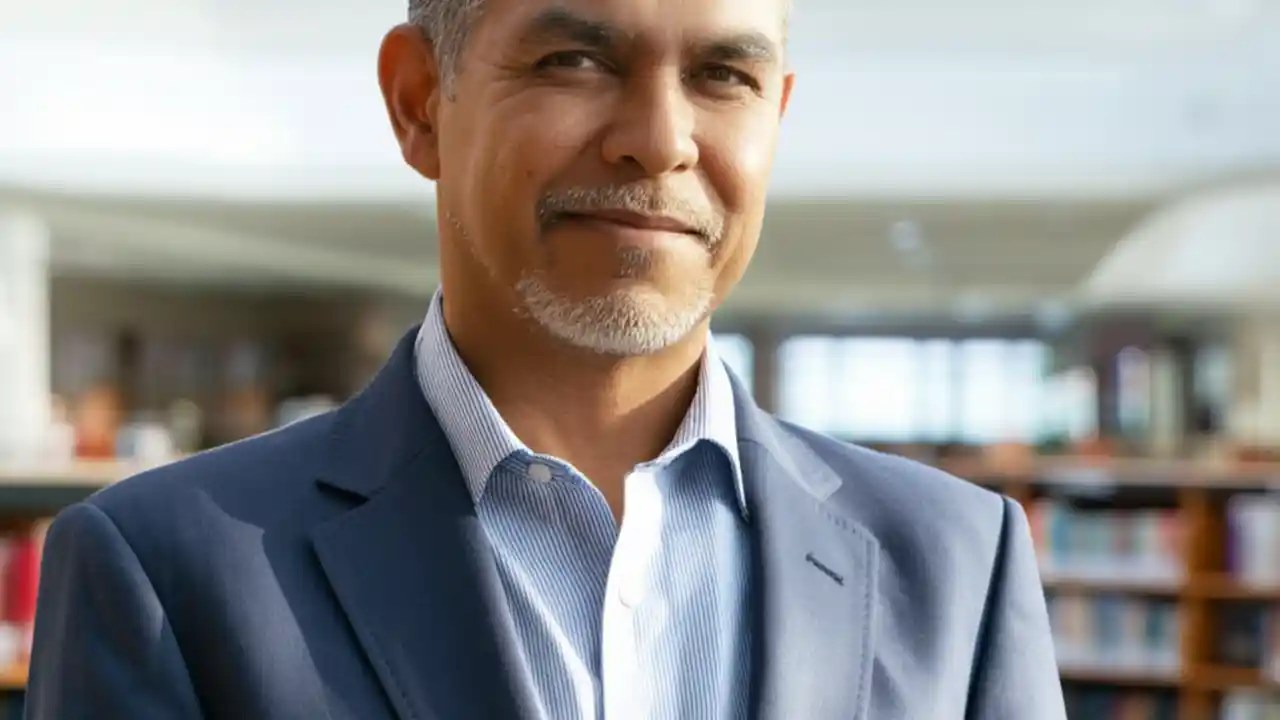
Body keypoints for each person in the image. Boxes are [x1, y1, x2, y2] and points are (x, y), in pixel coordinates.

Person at [26, 0, 1066, 717]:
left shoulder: (955, 566)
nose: (658, 140)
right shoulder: (166, 571)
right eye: (576, 60)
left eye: (723, 75)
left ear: (775, 116)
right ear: (417, 101)